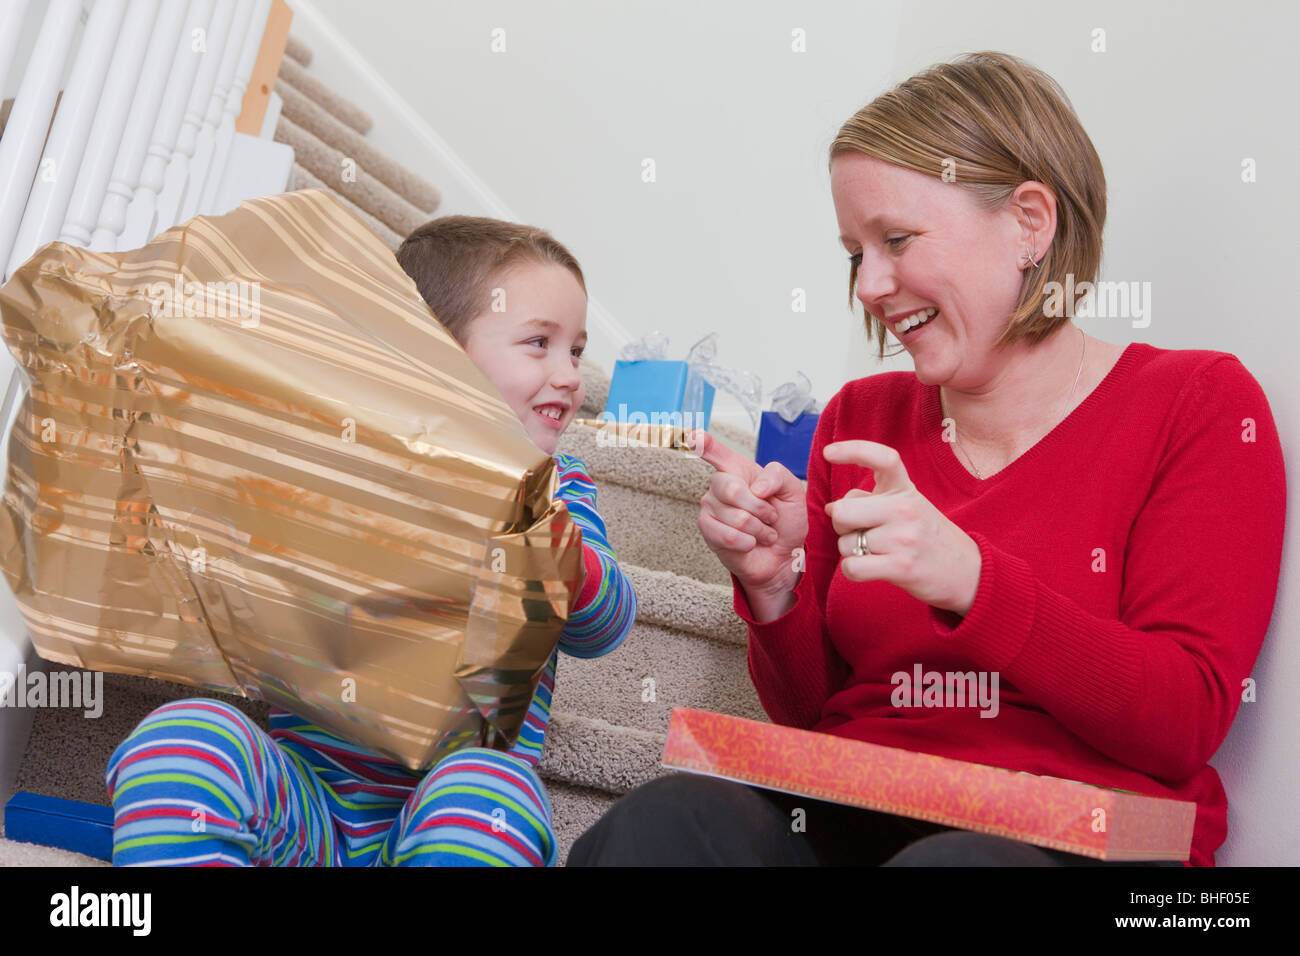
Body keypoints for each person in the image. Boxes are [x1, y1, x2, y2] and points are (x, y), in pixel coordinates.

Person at [568, 51, 1285, 867]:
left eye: (897, 239)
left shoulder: (1197, 404)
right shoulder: (860, 420)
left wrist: (974, 579)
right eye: (854, 253)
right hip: (858, 817)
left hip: (1082, 845)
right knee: (671, 822)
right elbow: (818, 720)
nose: (871, 284)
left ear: (1029, 223)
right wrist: (774, 590)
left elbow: (1182, 722)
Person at [105, 216, 637, 866]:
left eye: (576, 350)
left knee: (496, 792)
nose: (571, 376)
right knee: (185, 738)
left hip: (448, 816)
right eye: (539, 344)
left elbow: (604, 625)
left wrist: (555, 547)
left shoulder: (559, 489)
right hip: (308, 812)